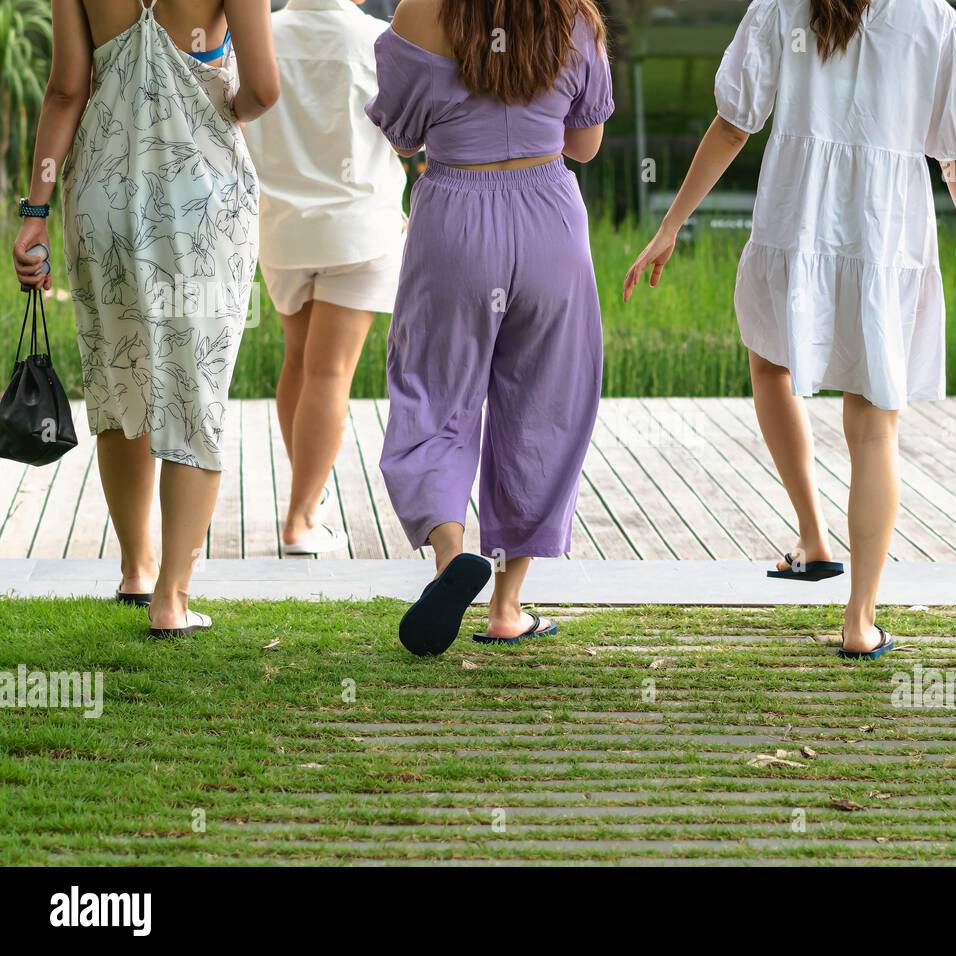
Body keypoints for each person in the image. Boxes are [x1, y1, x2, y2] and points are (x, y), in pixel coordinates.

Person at [624, 0, 956, 658]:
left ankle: (813, 535)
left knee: (770, 362)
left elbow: (734, 127)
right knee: (874, 425)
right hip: (885, 237)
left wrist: (672, 222)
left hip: (797, 224)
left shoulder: (780, 8)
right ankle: (860, 619)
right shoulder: (938, 22)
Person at [11, 0, 278, 636]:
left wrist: (34, 211)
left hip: (101, 197)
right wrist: (216, 104)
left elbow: (67, 88)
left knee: (119, 378)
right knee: (195, 388)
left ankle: (135, 570)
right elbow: (264, 89)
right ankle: (172, 601)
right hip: (199, 199)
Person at [365, 0, 613, 656]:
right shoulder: (573, 16)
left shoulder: (421, 12)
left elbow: (401, 136)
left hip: (456, 215)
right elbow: (584, 144)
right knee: (542, 408)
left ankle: (451, 560)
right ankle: (507, 606)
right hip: (550, 222)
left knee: (432, 394)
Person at [243, 0, 407, 556]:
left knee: (300, 361)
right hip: (357, 228)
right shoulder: (381, 40)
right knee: (329, 372)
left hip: (282, 228)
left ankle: (304, 496)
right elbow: (409, 133)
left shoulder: (262, 34)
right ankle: (301, 517)